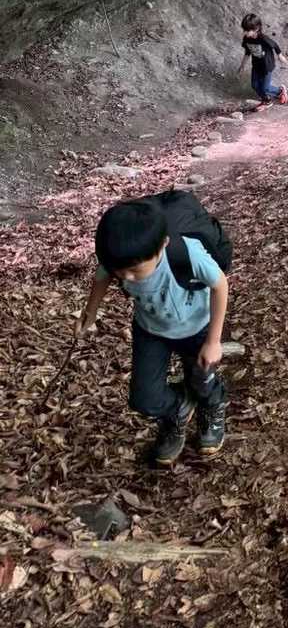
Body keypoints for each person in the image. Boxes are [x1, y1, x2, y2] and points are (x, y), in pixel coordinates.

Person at [76, 196, 229, 467]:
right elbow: (103, 275)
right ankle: (178, 409)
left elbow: (220, 285)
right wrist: (90, 312)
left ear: (162, 245)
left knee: (202, 380)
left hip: (197, 329)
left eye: (134, 270)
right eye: (120, 271)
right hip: (151, 331)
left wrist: (214, 341)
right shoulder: (121, 258)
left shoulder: (187, 253)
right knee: (144, 398)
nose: (126, 277)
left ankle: (212, 404)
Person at [239, 12, 288, 109]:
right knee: (255, 85)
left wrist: (280, 56)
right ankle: (266, 100)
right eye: (244, 30)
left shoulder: (263, 39)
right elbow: (247, 52)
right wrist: (242, 65)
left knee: (265, 88)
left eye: (248, 30)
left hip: (267, 66)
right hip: (256, 65)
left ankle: (280, 91)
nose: (245, 32)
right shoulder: (247, 39)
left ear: (256, 29)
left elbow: (275, 45)